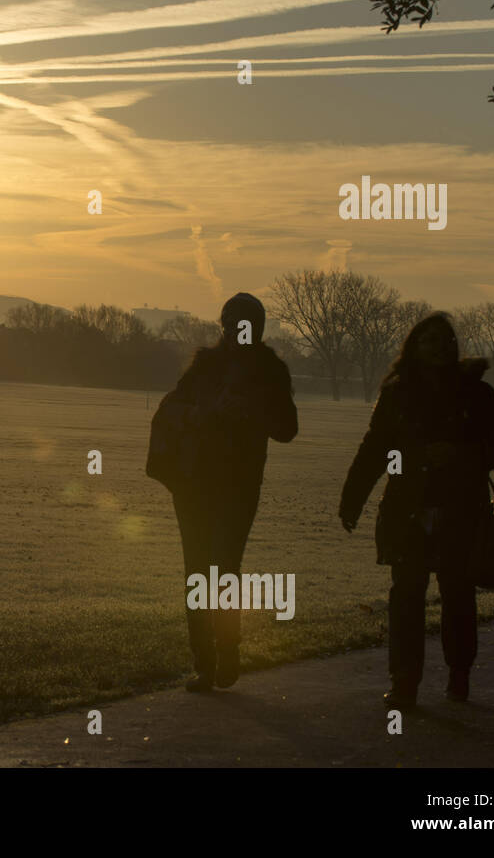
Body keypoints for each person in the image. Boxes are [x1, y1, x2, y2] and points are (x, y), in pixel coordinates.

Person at [338, 313, 494, 710]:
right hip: (407, 507)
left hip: (460, 507)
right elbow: (374, 449)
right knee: (407, 598)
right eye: (429, 340)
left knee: (457, 593)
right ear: (414, 346)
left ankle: (459, 675)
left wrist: (461, 454)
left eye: (444, 340)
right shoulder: (397, 393)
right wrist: (352, 499)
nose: (437, 346)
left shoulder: (477, 394)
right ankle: (405, 683)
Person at [160, 292, 298, 692]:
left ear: (258, 328)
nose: (238, 331)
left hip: (238, 485)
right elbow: (172, 410)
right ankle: (205, 662)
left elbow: (288, 429)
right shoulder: (206, 366)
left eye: (245, 325)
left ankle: (226, 650)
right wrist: (208, 411)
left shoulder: (270, 371)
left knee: (221, 569)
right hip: (195, 483)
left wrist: (251, 410)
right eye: (232, 324)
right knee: (198, 574)